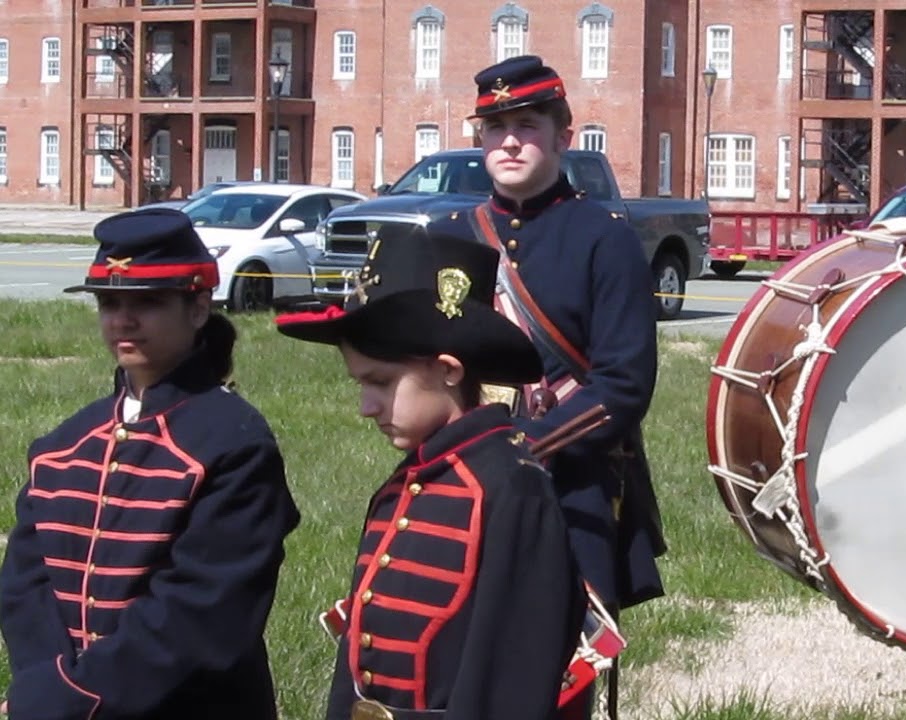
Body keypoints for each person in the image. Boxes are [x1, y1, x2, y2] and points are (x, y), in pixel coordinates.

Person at [432, 53, 668, 716]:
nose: (510, 140)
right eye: (495, 125)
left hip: (568, 487)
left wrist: (523, 447)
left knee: (554, 687)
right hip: (464, 487)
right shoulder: (452, 237)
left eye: (528, 124)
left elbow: (623, 386)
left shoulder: (605, 238)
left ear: (564, 135)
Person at [275, 223, 585, 720]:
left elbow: (507, 682)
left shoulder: (510, 488)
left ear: (449, 370)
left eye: (380, 382)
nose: (365, 406)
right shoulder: (410, 480)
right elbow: (356, 654)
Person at [0, 208, 301, 719]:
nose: (123, 319)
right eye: (110, 302)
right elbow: (27, 581)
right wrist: (46, 683)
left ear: (199, 307)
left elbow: (200, 613)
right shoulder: (63, 444)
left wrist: (78, 697)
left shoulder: (234, 444)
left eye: (148, 302)